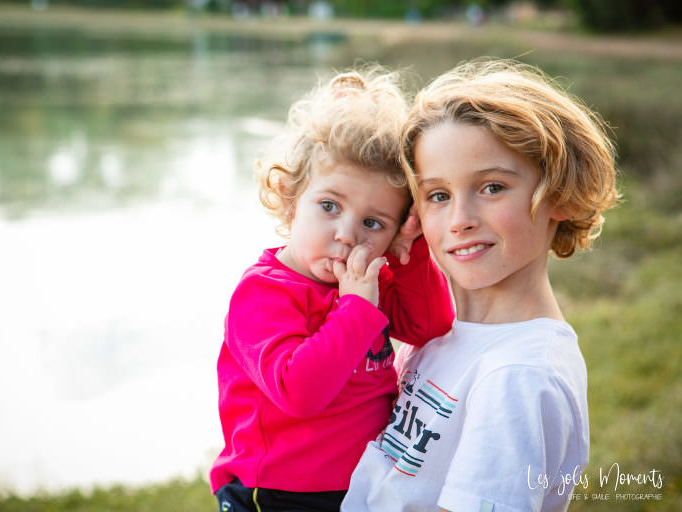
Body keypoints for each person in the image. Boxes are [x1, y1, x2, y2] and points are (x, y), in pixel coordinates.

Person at [342, 58, 619, 512]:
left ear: (561, 196)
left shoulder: (518, 375)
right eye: (438, 195)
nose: (460, 221)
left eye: (492, 188)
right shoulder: (440, 335)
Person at [210, 68, 456, 512]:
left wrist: (411, 254)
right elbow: (299, 392)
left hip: (362, 483)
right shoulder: (263, 294)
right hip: (281, 492)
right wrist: (356, 309)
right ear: (290, 197)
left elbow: (430, 325)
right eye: (329, 206)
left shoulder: (368, 282)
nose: (346, 234)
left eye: (373, 223)